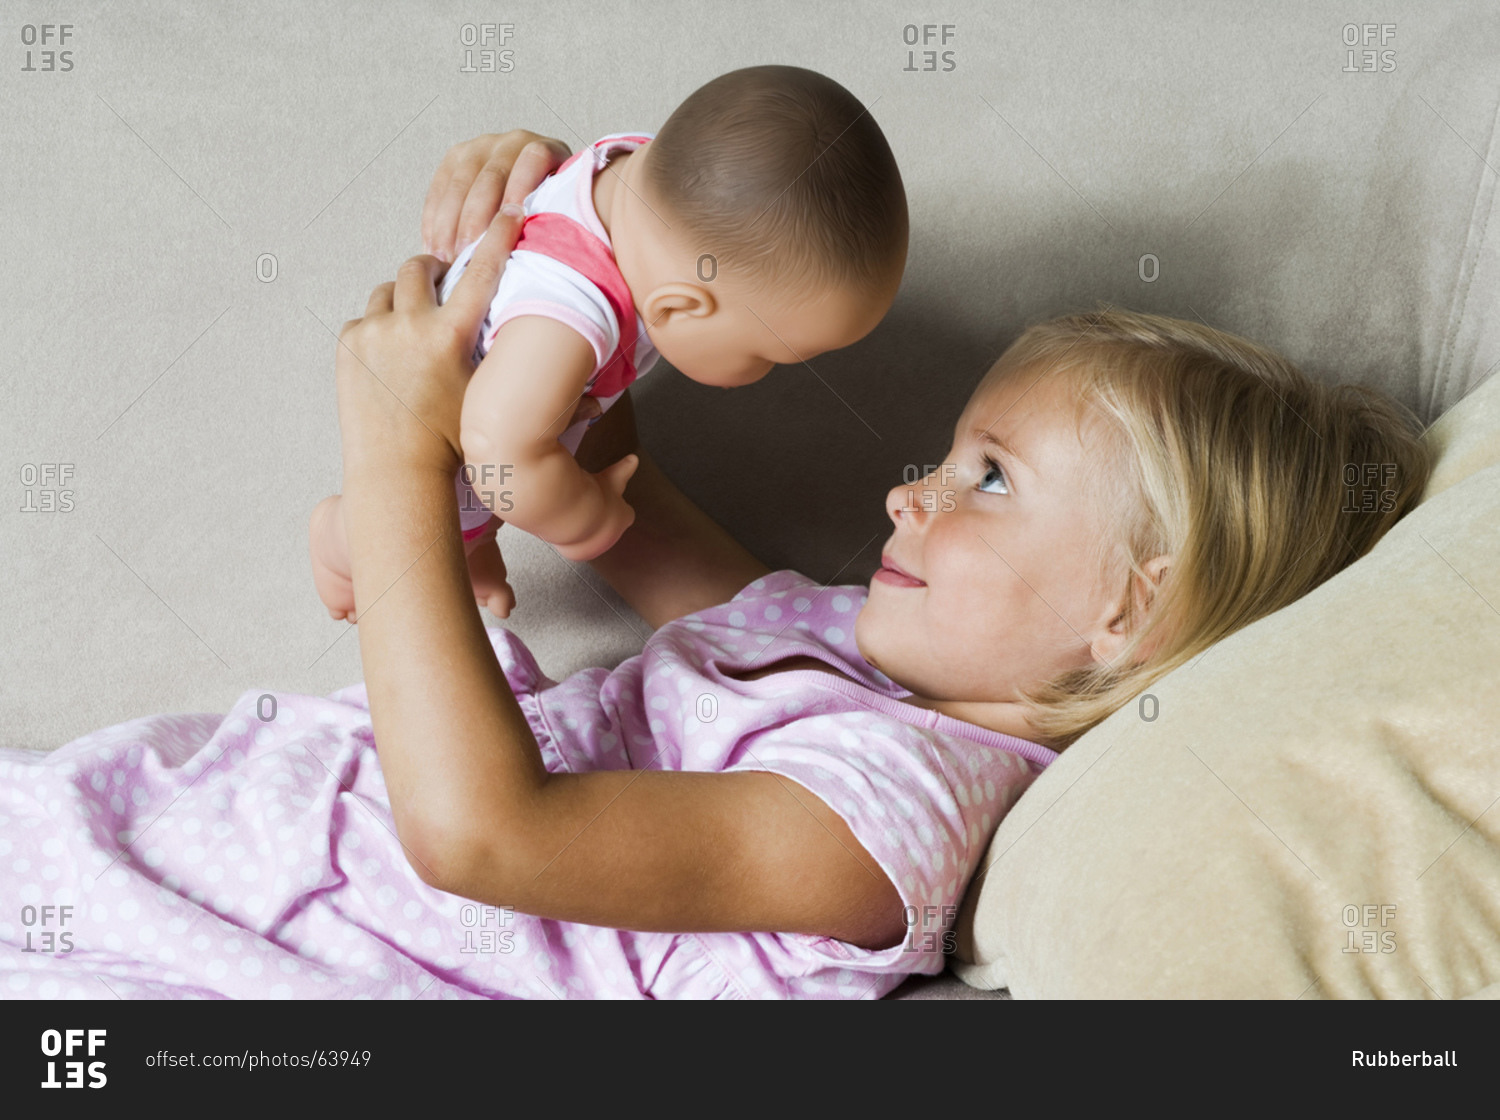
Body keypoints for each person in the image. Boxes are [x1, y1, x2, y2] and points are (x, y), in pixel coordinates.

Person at [0, 132, 1428, 1000]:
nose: (908, 488)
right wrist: (585, 236)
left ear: (1129, 606)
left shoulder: (893, 815)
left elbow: (483, 839)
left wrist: (388, 459)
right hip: (236, 819)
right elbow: (608, 498)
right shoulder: (853, 652)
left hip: (301, 946)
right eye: (947, 454)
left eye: (988, 476)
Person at [309, 66, 907, 621]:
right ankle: (337, 542)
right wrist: (579, 517)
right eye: (769, 357)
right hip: (445, 438)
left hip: (506, 399)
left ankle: (472, 551)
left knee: (478, 519)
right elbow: (499, 453)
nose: (768, 377)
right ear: (678, 306)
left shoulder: (640, 176)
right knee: (447, 514)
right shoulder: (571, 317)